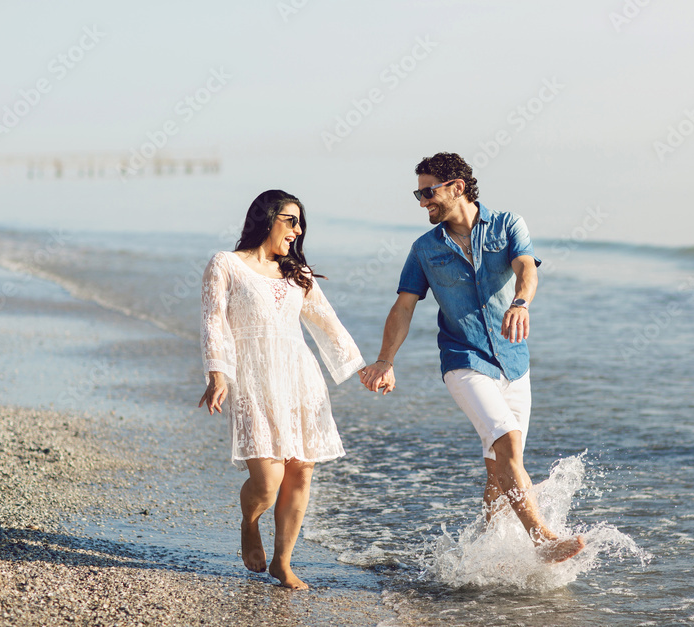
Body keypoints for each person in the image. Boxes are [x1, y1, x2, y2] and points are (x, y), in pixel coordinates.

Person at [360, 152, 584, 563]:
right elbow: (404, 307)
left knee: (497, 468)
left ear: (457, 187)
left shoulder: (507, 224)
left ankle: (485, 553)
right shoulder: (425, 249)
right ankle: (543, 540)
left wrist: (521, 303)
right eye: (419, 193)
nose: (422, 201)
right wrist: (385, 359)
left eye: (428, 192)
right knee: (509, 444)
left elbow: (526, 269)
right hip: (463, 360)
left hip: (515, 362)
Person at [198, 190, 368, 589]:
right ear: (266, 217)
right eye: (290, 220)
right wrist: (217, 373)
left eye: (300, 222)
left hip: (300, 379)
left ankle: (283, 561)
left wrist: (364, 368)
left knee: (301, 471)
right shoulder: (226, 264)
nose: (298, 230)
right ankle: (250, 522)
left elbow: (328, 323)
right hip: (253, 379)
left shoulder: (297, 274)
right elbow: (212, 321)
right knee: (267, 482)